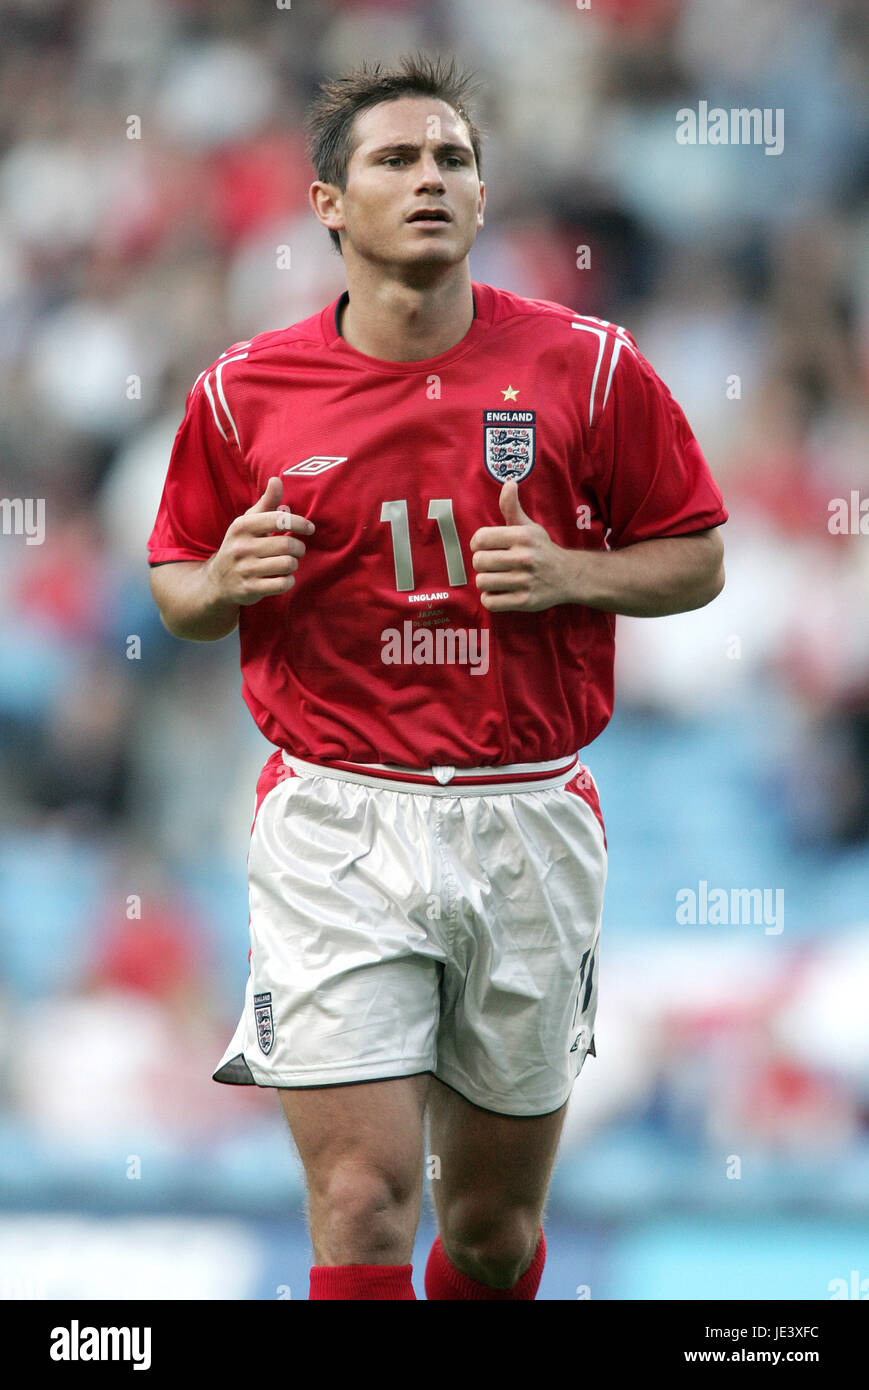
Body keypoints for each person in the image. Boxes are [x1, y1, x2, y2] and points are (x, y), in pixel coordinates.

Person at [147, 54, 727, 1301]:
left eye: (452, 159)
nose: (430, 180)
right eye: (395, 160)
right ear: (326, 205)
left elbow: (697, 557)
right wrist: (224, 580)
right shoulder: (242, 394)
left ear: (480, 194)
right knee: (359, 1205)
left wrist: (575, 574)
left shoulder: (590, 367)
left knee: (487, 1229)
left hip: (525, 811)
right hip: (335, 818)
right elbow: (177, 590)